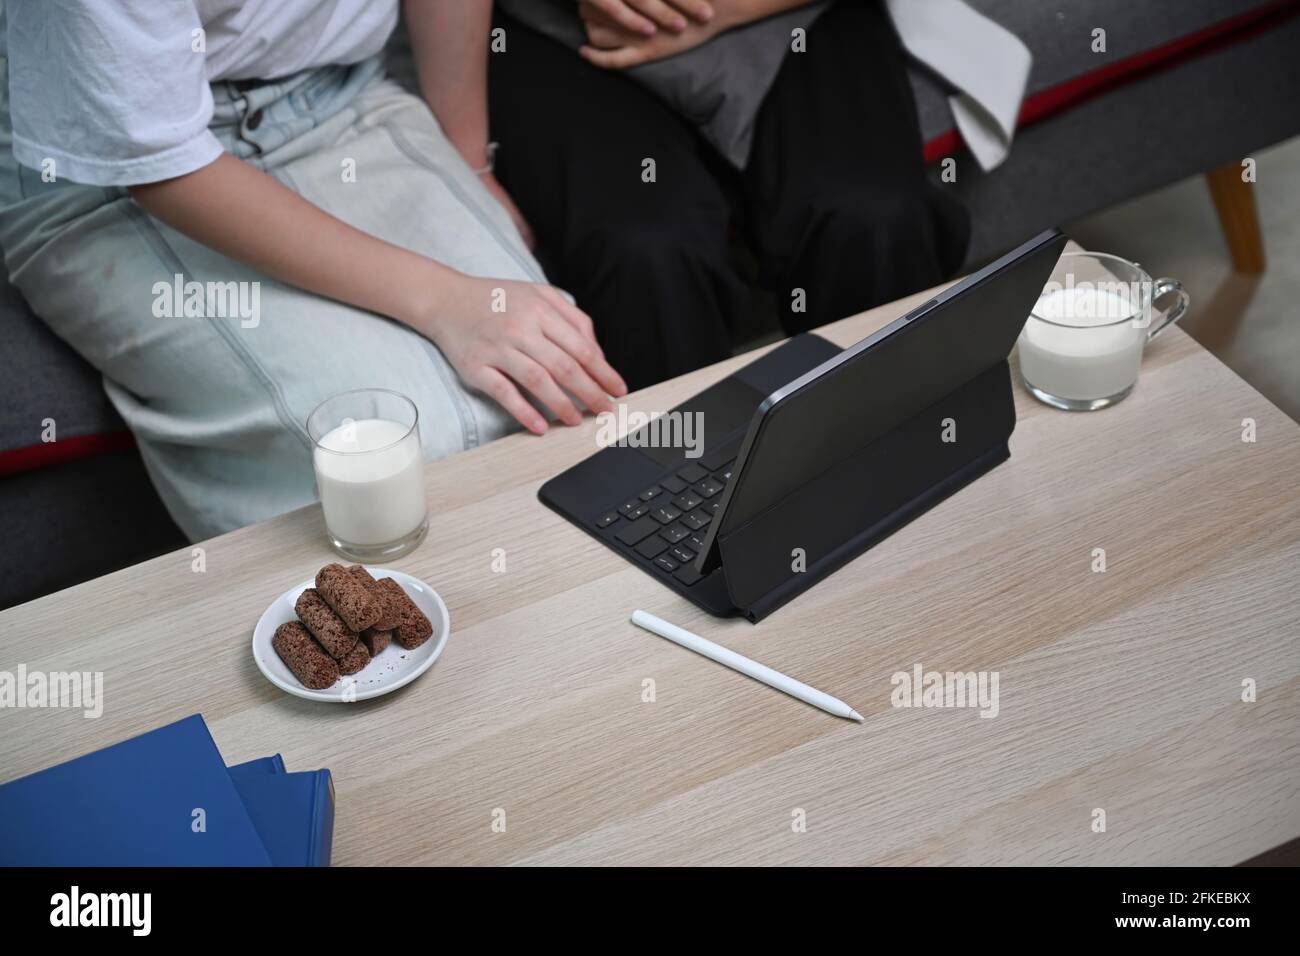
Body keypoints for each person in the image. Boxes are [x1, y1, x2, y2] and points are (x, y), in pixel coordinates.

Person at [0, 0, 626, 542]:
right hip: (110, 162)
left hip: (340, 96)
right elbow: (159, 157)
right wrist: (445, 301)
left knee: (549, 387)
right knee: (376, 454)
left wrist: (471, 162)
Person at [489, 0, 971, 390]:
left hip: (790, 16)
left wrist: (721, 9)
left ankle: (897, 442)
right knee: (648, 252)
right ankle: (676, 472)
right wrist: (475, 162)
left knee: (872, 217)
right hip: (560, 29)